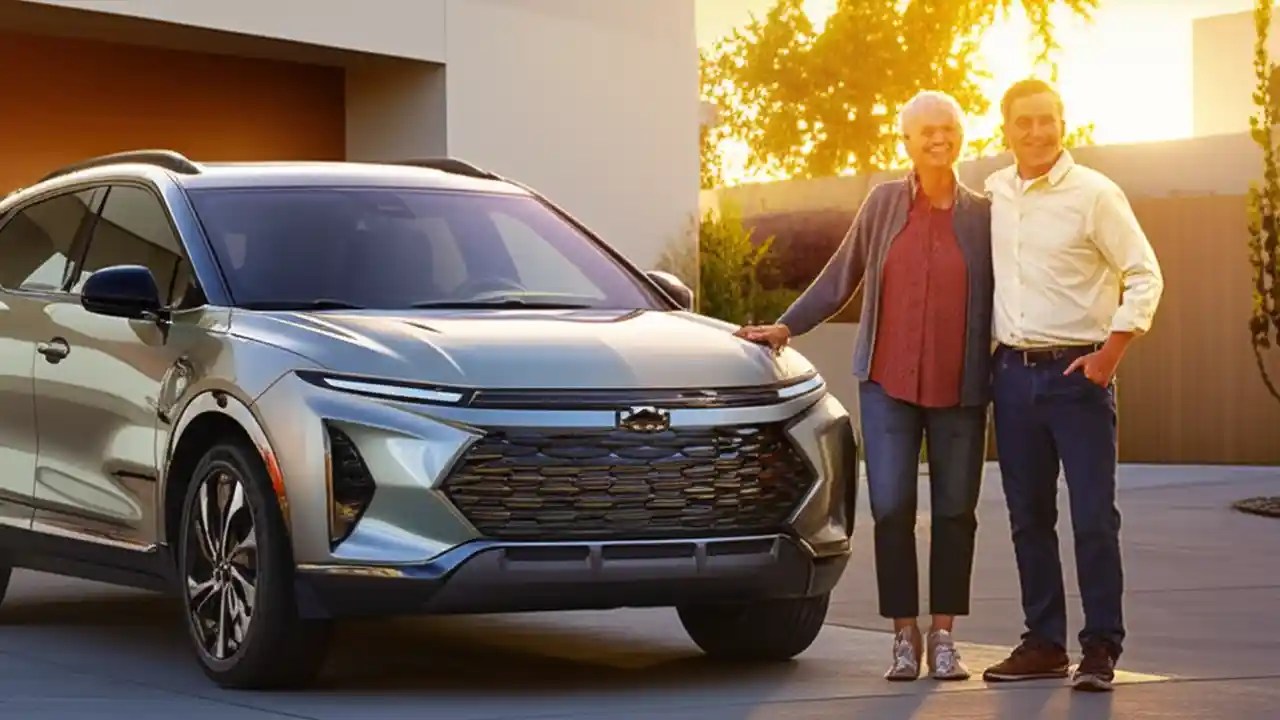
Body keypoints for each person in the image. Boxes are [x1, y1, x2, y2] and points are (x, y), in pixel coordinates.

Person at [735, 90, 993, 682]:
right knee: (892, 508)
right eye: (927, 130)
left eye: (948, 128)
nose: (939, 138)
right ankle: (903, 636)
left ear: (961, 135)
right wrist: (788, 325)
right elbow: (842, 273)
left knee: (956, 511)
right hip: (886, 382)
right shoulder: (882, 204)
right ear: (907, 141)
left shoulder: (984, 215)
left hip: (961, 386)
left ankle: (944, 636)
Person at [979, 78, 1164, 692]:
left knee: (1092, 518)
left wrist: (1112, 351)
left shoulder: (1094, 194)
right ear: (1006, 129)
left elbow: (1145, 274)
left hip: (1078, 376)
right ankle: (1044, 644)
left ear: (1063, 123)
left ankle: (1101, 647)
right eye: (1024, 122)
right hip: (1011, 376)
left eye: (1046, 120)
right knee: (1028, 518)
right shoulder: (994, 195)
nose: (1036, 132)